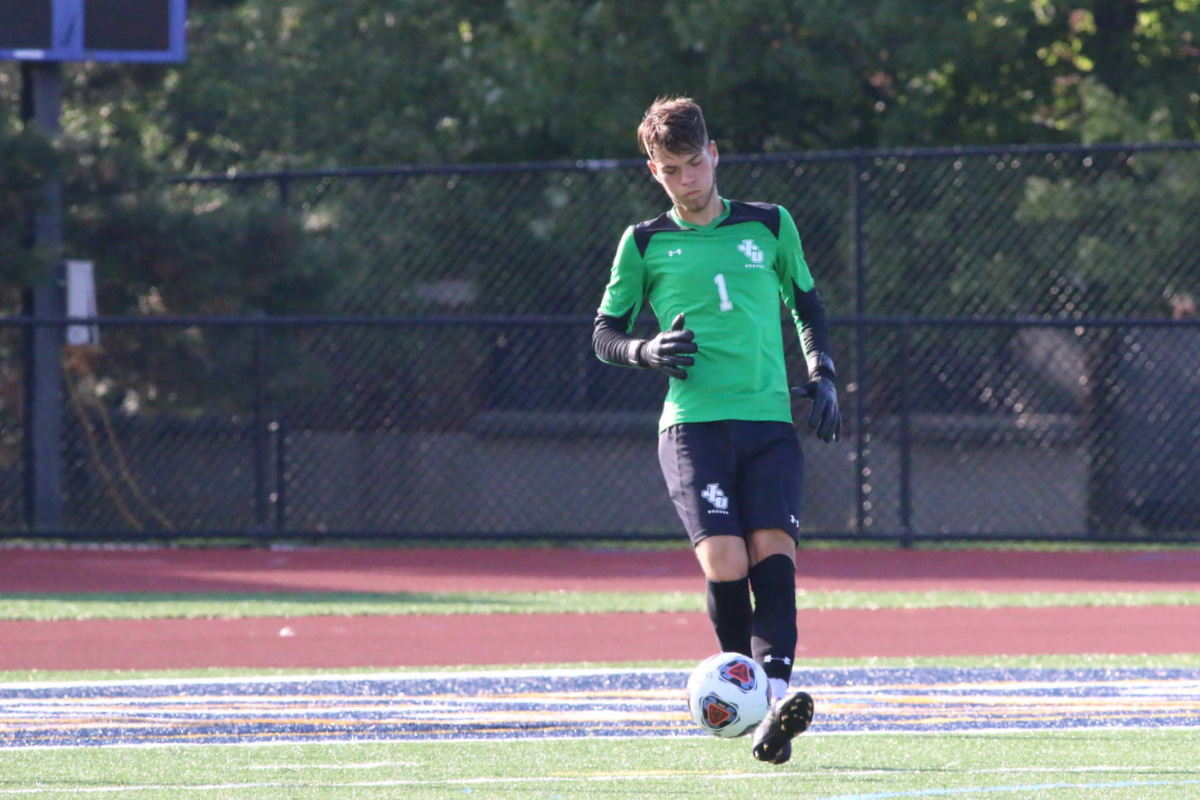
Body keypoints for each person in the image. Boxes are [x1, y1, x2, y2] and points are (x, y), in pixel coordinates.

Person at [591, 96, 841, 765]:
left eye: (694, 164)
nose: (687, 180)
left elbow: (807, 304)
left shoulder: (770, 223)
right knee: (727, 562)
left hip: (768, 420)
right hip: (693, 428)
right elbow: (604, 333)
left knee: (774, 552)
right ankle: (750, 693)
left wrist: (823, 372)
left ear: (714, 154)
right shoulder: (644, 242)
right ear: (654, 171)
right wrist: (645, 351)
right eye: (671, 170)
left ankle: (773, 706)